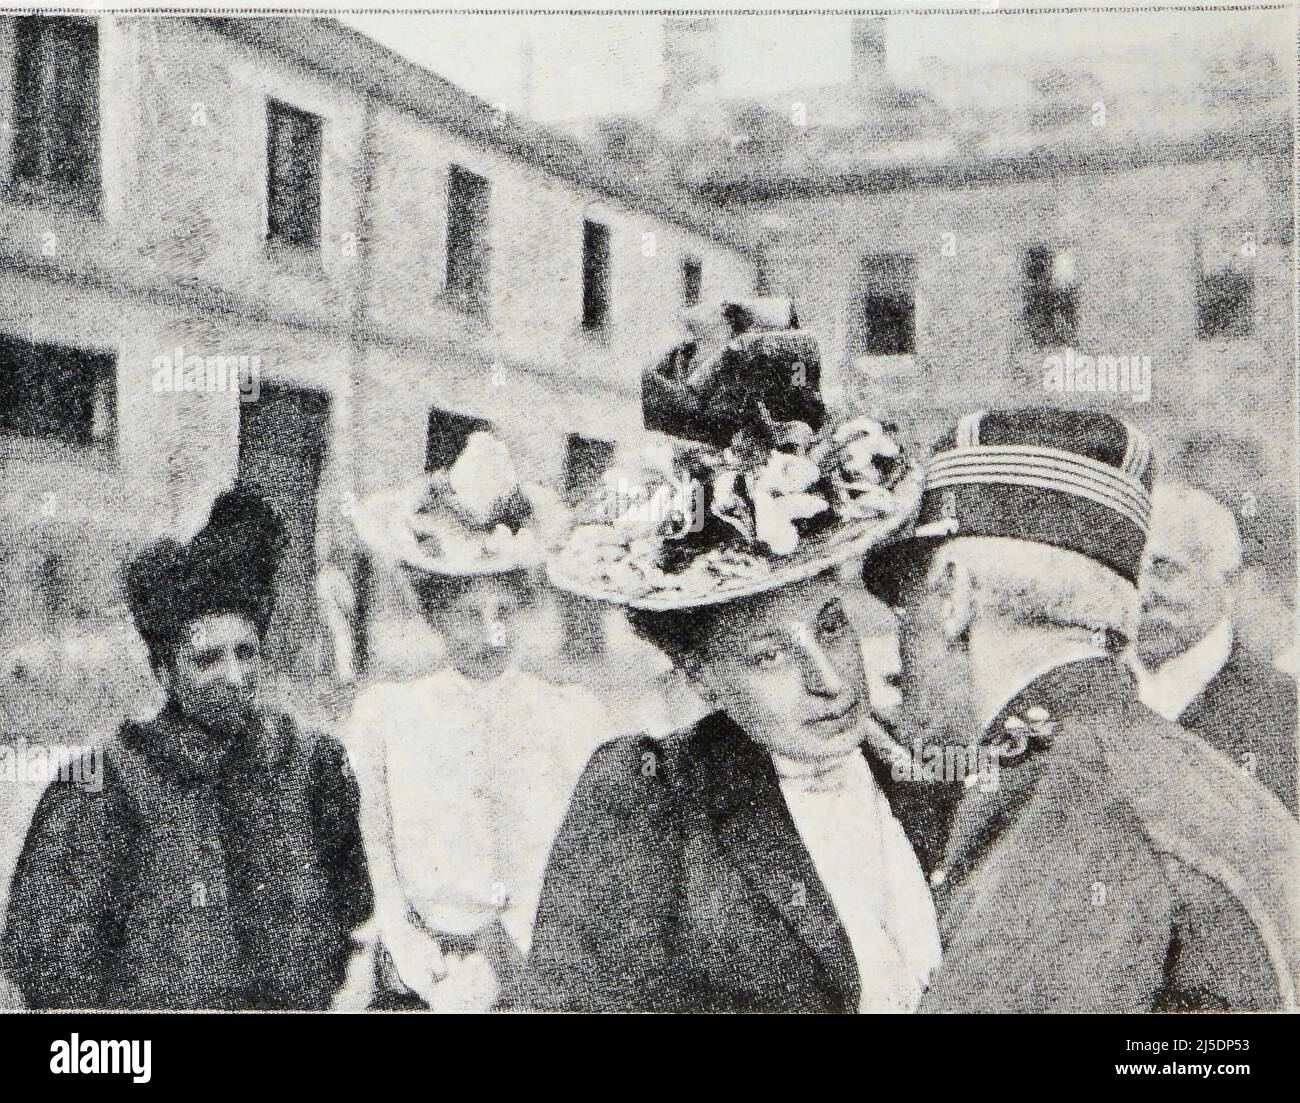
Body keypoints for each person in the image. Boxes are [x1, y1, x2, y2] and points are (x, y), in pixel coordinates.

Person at [528, 310, 939, 1012]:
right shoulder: (649, 798)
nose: (830, 680)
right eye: (770, 654)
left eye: (831, 625)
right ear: (701, 676)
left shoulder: (926, 769)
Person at [861, 408, 1300, 1012]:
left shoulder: (1068, 800)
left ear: (953, 596)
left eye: (905, 609)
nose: (900, 655)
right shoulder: (1167, 770)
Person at [3, 488, 373, 1010]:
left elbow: (358, 921)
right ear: (165, 672)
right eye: (207, 658)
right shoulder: (101, 786)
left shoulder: (311, 766)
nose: (235, 676)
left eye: (247, 653)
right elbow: (54, 982)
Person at [345, 432, 610, 1012]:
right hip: (424, 970)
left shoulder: (572, 715)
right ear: (434, 615)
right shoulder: (387, 715)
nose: (492, 632)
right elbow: (380, 862)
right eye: (469, 613)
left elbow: (584, 870)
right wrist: (413, 955)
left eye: (505, 611)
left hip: (537, 972)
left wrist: (501, 968)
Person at [1134, 481, 1297, 814]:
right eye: (1131, 568)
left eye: (1165, 570)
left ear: (1226, 582)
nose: (1143, 593)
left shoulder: (1286, 713)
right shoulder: (1089, 693)